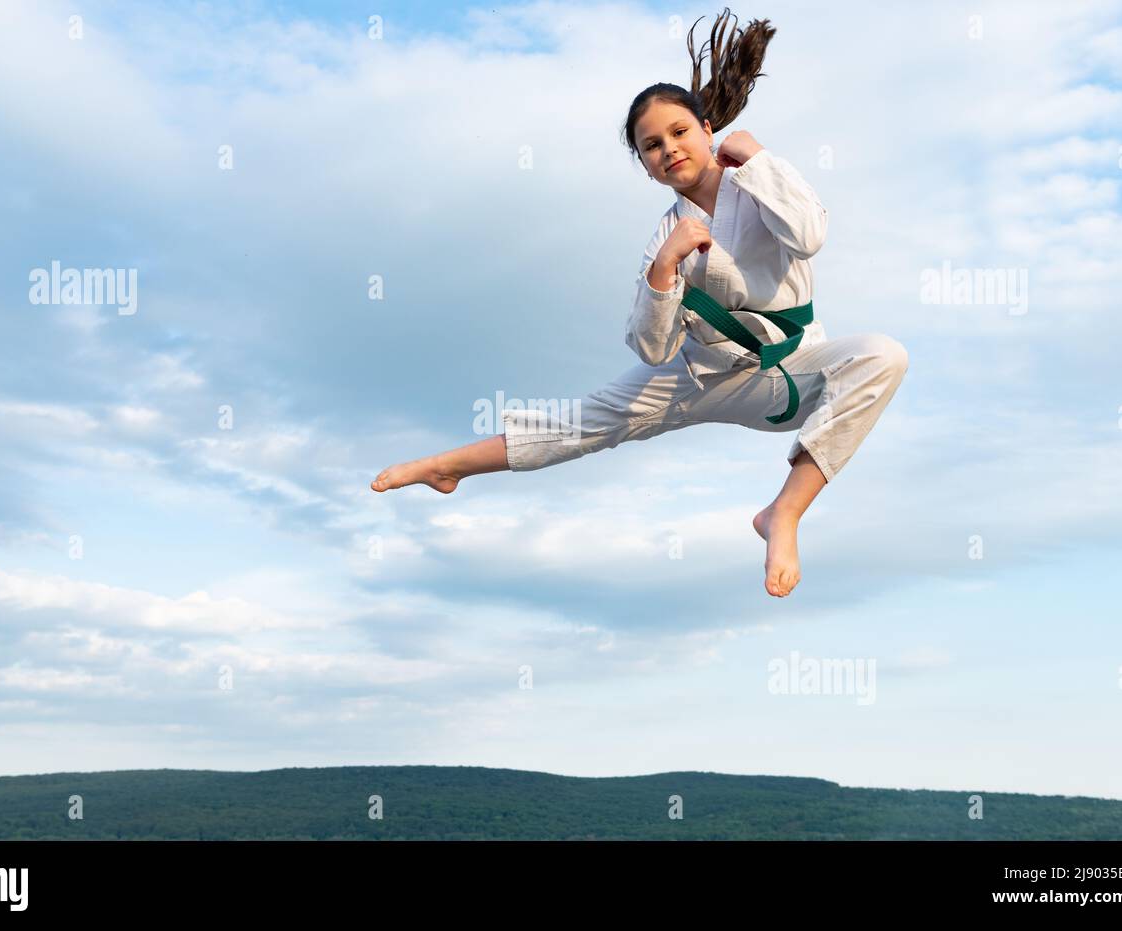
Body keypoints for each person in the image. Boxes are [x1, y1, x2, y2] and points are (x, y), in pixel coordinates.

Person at [372, 10, 908, 599]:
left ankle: (783, 512)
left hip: (787, 370)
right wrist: (664, 269)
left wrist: (757, 158)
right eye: (651, 145)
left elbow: (809, 235)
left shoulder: (757, 182)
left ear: (708, 129)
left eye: (679, 132)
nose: (668, 149)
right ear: (645, 164)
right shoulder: (664, 236)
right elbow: (654, 350)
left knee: (882, 356)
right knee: (581, 422)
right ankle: (446, 466)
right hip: (699, 375)